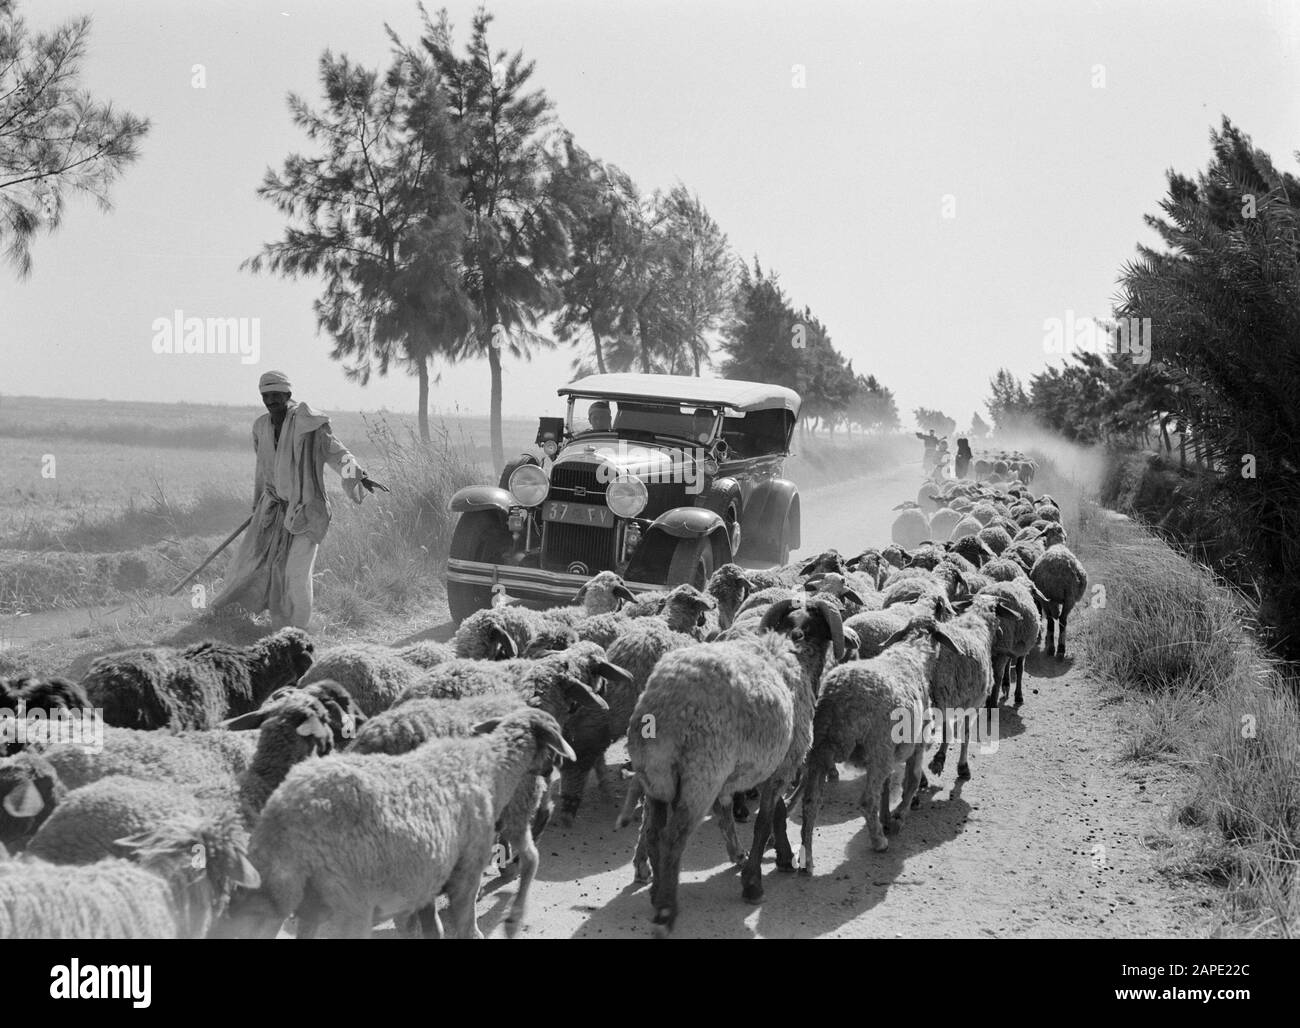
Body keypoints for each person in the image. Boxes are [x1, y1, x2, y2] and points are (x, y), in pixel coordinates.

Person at [211, 370, 373, 629]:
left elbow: (336, 452)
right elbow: (263, 469)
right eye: (266, 395)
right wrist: (258, 505)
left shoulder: (308, 424)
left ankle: (298, 632)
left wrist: (358, 475)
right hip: (273, 510)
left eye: (276, 394)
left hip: (307, 510)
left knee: (296, 575)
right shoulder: (261, 426)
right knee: (258, 567)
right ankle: (274, 624)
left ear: (288, 394)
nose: (271, 400)